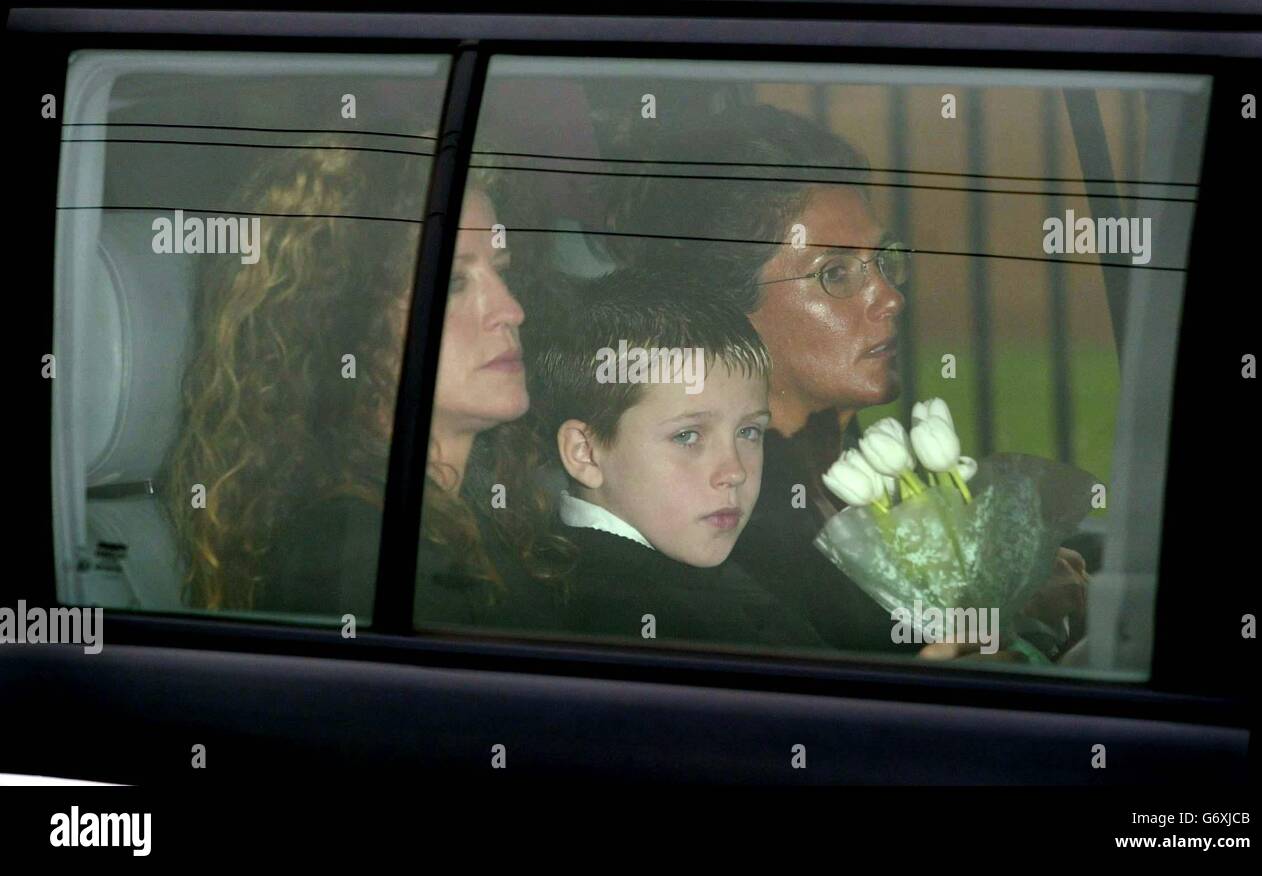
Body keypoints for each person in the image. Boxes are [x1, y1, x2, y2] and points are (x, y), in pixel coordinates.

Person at [602, 104, 1087, 660]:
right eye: (835, 274)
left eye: (883, 261)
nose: (891, 297)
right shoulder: (732, 528)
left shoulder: (853, 479)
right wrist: (1005, 607)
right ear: (731, 310)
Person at [162, 136, 569, 630]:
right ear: (341, 321)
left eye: (502, 274)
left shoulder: (476, 506)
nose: (511, 310)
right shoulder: (358, 553)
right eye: (453, 284)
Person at [527, 267, 827, 649]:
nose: (734, 472)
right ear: (584, 453)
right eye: (687, 436)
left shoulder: (694, 583)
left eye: (749, 432)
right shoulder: (625, 617)